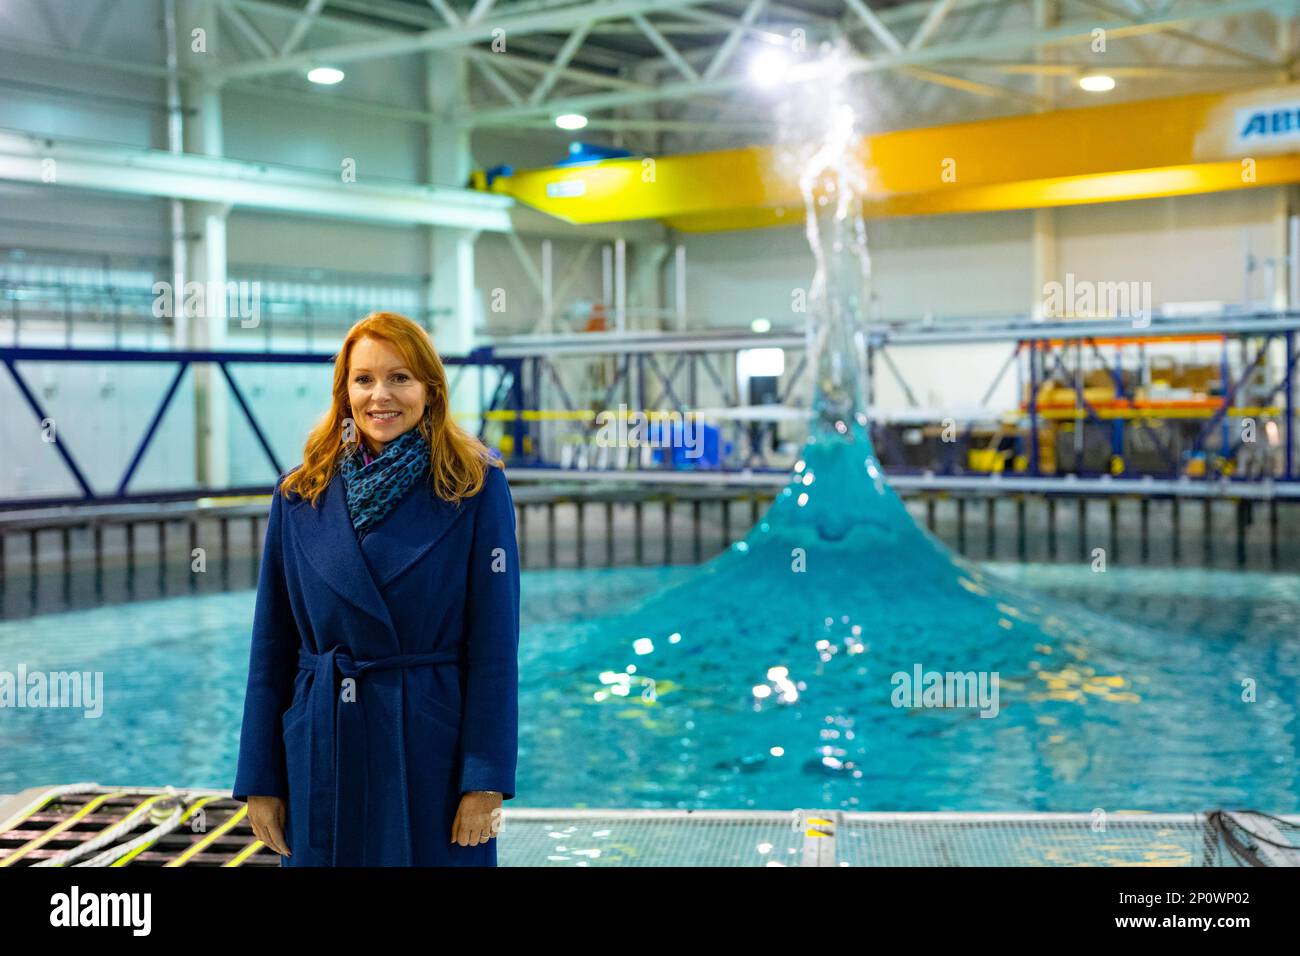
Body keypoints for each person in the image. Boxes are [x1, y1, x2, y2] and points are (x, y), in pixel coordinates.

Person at [230, 310, 520, 866]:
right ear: (344, 392)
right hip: (323, 747)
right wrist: (260, 779)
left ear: (430, 390)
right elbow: (271, 648)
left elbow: (495, 650)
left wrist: (484, 781)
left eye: (400, 378)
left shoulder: (474, 485)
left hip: (429, 749)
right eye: (363, 379)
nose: (380, 396)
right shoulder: (298, 493)